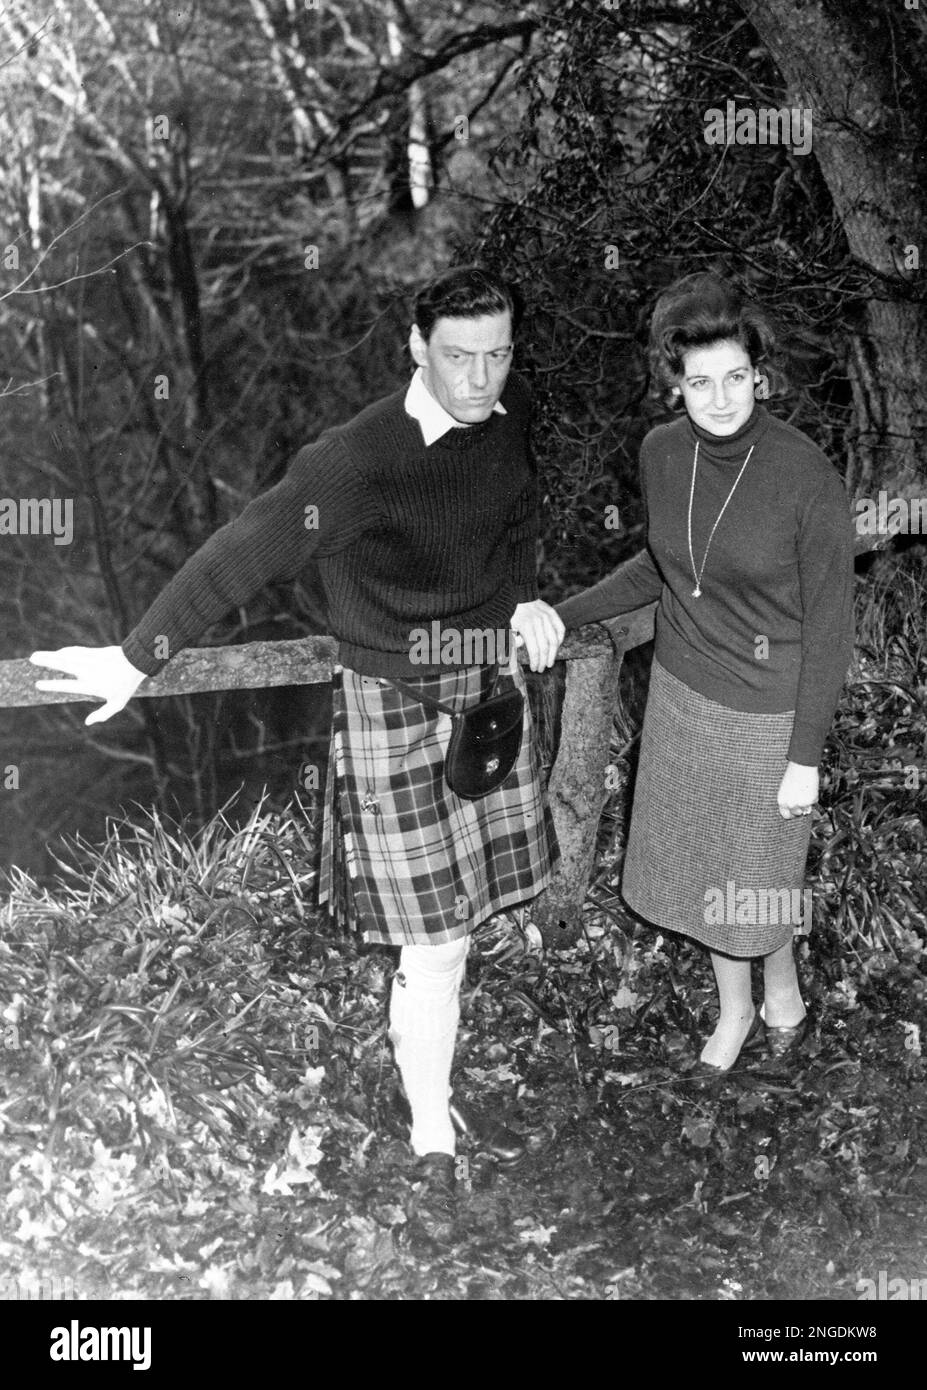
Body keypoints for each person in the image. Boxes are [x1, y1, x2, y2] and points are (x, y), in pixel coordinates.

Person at [31, 264, 565, 1239]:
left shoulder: (512, 403)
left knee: (453, 934)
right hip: (395, 704)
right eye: (459, 358)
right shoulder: (350, 466)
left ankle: (426, 1068)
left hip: (488, 686)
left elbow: (519, 501)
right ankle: (429, 1136)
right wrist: (138, 656)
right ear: (416, 348)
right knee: (438, 938)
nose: (483, 378)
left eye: (497, 354)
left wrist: (525, 592)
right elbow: (243, 549)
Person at [556, 272, 854, 1076]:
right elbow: (659, 566)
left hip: (766, 711)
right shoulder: (660, 453)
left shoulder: (804, 476)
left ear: (758, 375)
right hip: (684, 695)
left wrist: (804, 757)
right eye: (698, 381)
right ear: (673, 384)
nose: (719, 398)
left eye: (734, 377)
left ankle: (761, 1002)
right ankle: (750, 1003)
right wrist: (564, 612)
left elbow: (829, 632)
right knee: (709, 868)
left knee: (756, 871)